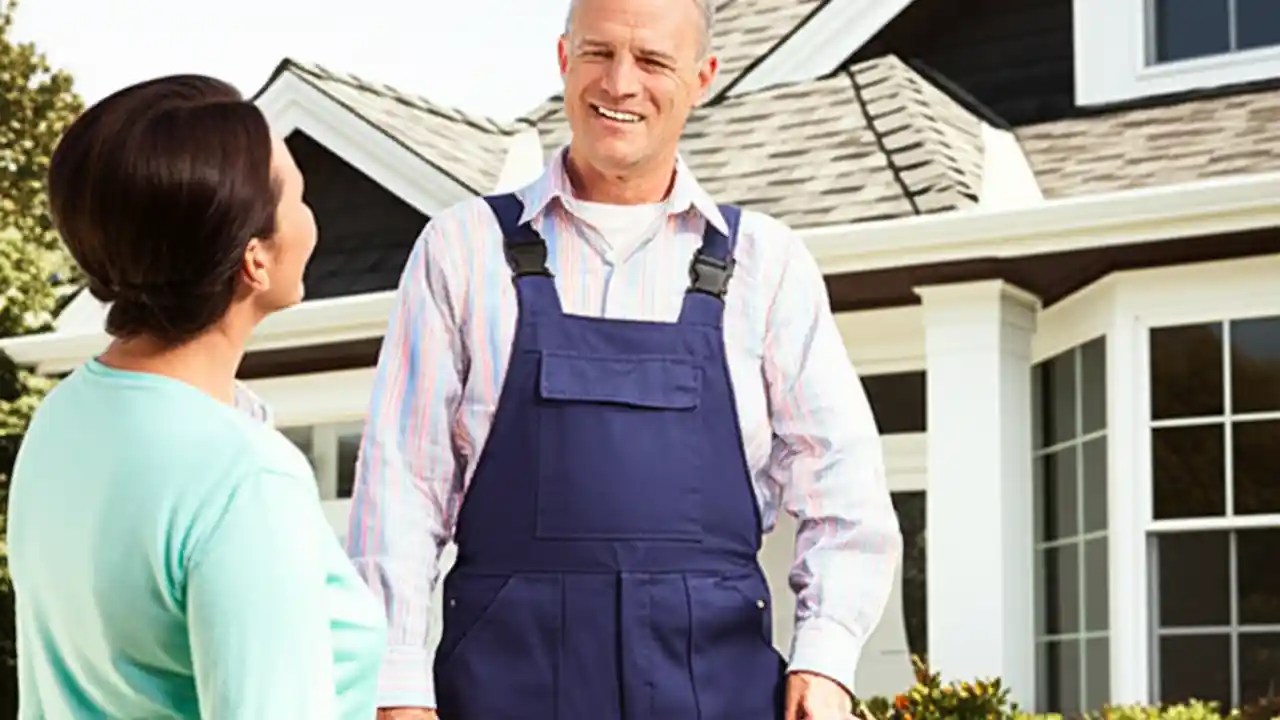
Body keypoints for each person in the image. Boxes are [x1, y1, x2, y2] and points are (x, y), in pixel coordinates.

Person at [346, 0, 902, 717]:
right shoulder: (462, 249)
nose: (620, 83)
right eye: (599, 53)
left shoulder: (768, 266)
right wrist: (396, 683)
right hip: (502, 690)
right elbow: (400, 483)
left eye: (652, 61)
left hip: (716, 693)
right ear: (563, 59)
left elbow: (844, 487)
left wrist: (826, 658)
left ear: (702, 78)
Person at [6, 74, 387, 719]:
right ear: (255, 259)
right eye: (299, 194)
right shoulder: (244, 478)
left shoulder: (64, 417)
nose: (310, 216)